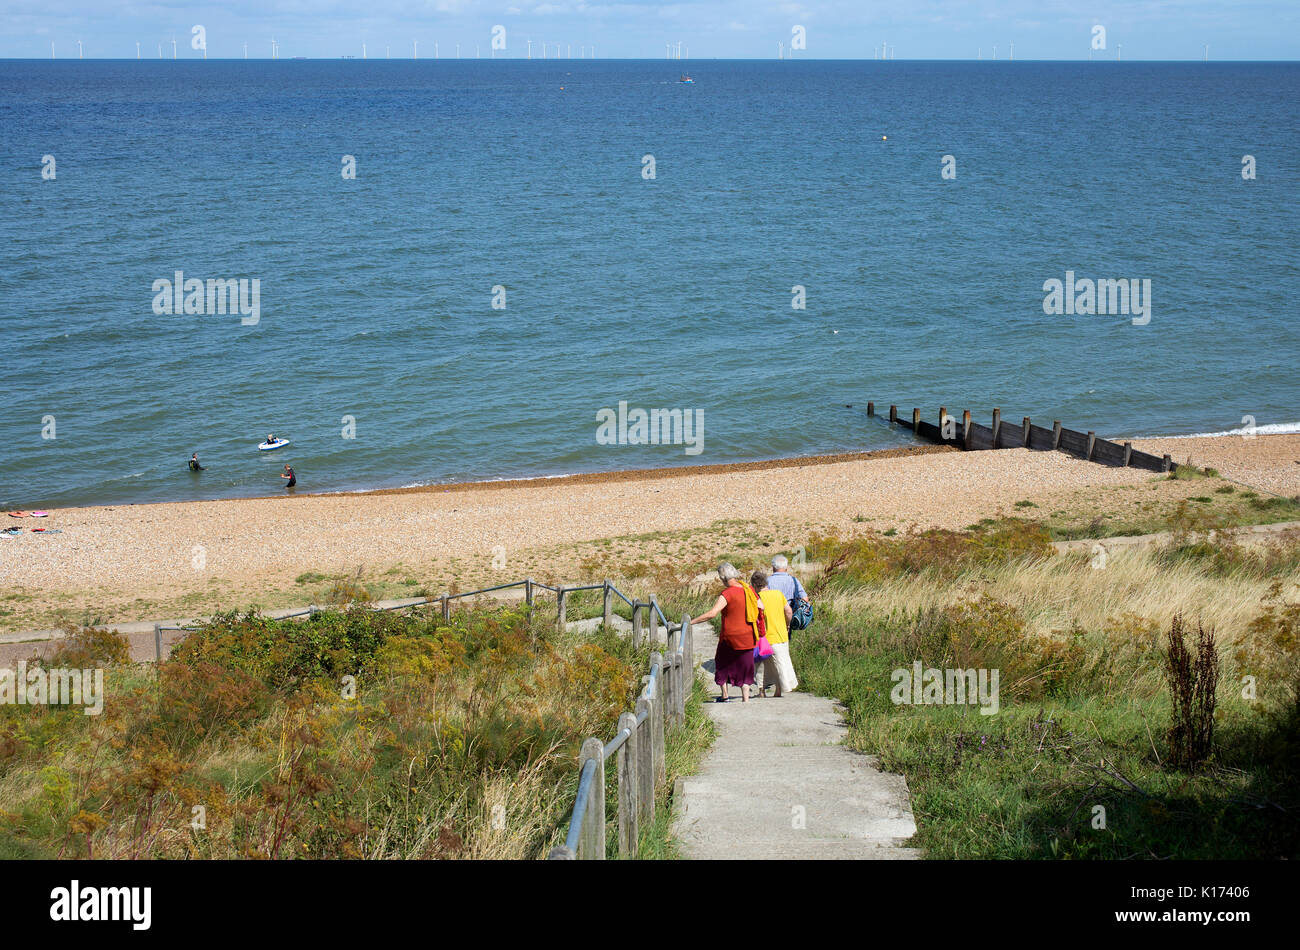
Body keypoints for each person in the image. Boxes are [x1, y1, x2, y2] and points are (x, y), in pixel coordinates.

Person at [690, 562, 762, 703]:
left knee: (722, 663)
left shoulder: (727, 594)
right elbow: (761, 606)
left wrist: (691, 621)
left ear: (723, 578)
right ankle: (745, 699)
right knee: (746, 666)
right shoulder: (748, 590)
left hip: (729, 637)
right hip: (748, 635)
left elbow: (713, 613)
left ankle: (725, 695)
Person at [752, 570, 797, 697]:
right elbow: (788, 611)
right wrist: (787, 625)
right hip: (781, 635)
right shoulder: (778, 594)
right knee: (780, 664)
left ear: (754, 585)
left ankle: (762, 691)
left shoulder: (757, 598)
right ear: (766, 582)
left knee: (761, 665)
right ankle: (778, 690)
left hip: (764, 638)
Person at [768, 554, 810, 635]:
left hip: (771, 619)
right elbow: (805, 599)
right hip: (788, 618)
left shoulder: (767, 581)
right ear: (786, 568)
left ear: (773, 567)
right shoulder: (793, 580)